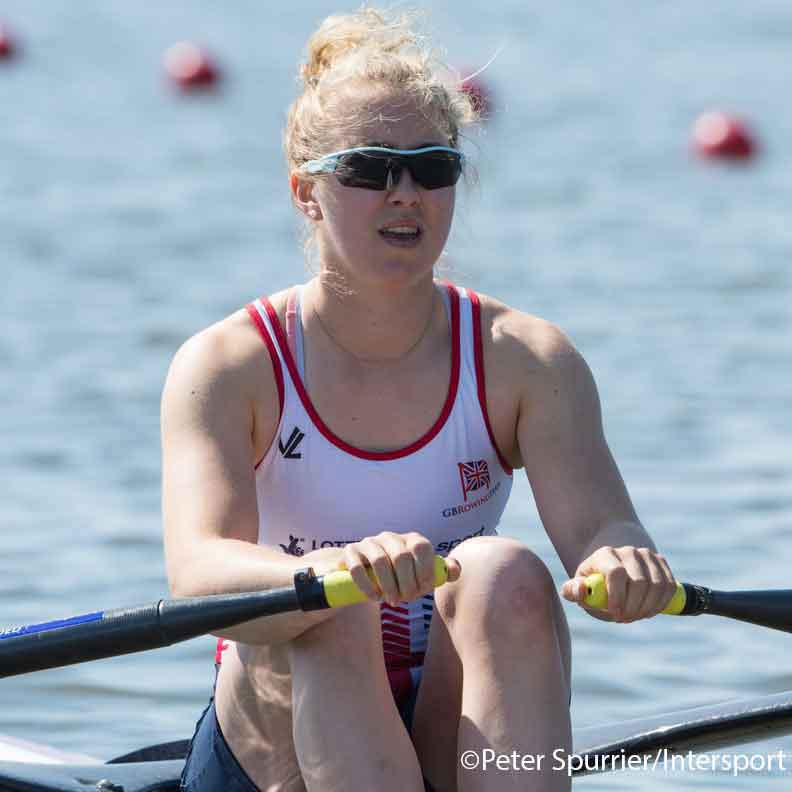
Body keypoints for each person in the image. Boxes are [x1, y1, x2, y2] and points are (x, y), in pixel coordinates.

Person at [162, 8, 677, 792]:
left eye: (432, 167)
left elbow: (603, 525)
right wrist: (335, 568)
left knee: (503, 570)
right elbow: (199, 574)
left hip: (449, 721)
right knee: (335, 605)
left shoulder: (529, 359)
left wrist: (621, 559)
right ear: (307, 191)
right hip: (274, 737)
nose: (405, 194)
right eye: (369, 168)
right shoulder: (228, 364)